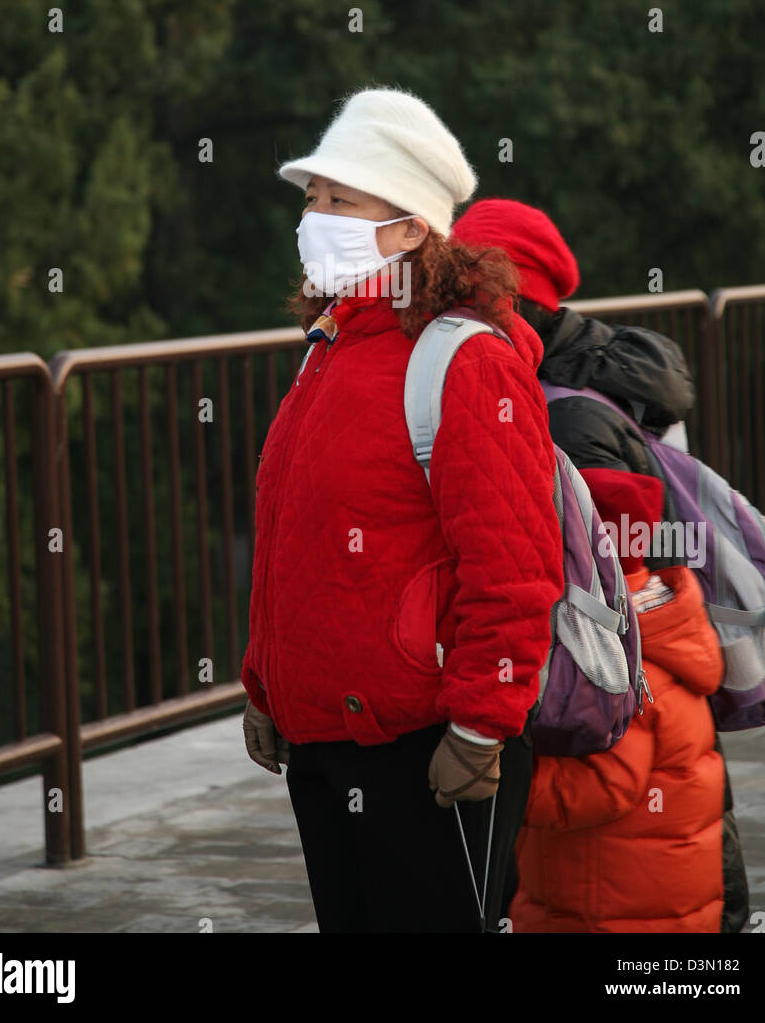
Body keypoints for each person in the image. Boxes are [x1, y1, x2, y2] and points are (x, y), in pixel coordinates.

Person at [240, 90, 564, 933]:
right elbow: (292, 538)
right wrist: (266, 686)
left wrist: (482, 724)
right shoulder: (331, 348)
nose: (314, 217)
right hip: (325, 743)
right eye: (310, 199)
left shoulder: (466, 360)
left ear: (414, 226)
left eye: (339, 200)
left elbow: (516, 564)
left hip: (426, 750)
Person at [450, 197, 750, 932]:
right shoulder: (598, 377)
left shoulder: (561, 417)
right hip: (666, 826)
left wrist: (493, 775)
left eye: (462, 285)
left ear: (510, 294)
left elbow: (607, 759)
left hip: (625, 880)